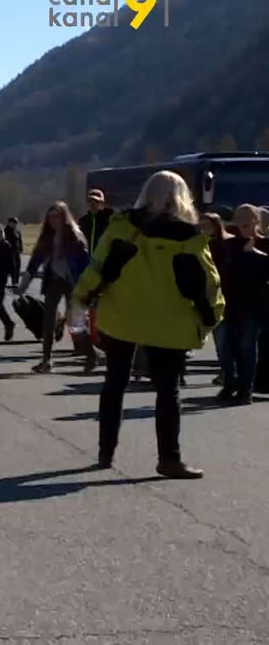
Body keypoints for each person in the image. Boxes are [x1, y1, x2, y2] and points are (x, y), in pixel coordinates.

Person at [73, 170, 223, 479]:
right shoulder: (191, 239)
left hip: (122, 316)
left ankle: (106, 451)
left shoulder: (122, 229)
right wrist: (211, 317)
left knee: (115, 383)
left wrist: (84, 297)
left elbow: (97, 267)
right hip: (170, 322)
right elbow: (209, 284)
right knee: (168, 391)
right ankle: (169, 458)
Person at [18, 201, 90, 374]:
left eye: (57, 216)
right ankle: (46, 360)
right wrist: (23, 286)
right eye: (50, 217)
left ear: (64, 216)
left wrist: (88, 286)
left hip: (73, 283)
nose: (53, 220)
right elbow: (35, 261)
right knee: (48, 321)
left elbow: (86, 263)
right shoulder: (47, 237)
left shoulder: (74, 235)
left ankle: (91, 354)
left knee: (76, 323)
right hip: (54, 281)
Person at [214, 204, 269, 405]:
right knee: (225, 348)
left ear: (257, 220)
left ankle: (245, 390)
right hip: (226, 303)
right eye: (239, 218)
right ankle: (230, 384)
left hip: (252, 305)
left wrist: (254, 253)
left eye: (248, 218)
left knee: (246, 347)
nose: (243, 222)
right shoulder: (228, 244)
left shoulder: (264, 244)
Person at [202, 212, 236, 387]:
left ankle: (229, 374)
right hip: (212, 297)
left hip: (227, 296)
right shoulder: (201, 244)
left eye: (206, 224)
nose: (203, 228)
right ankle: (227, 372)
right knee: (220, 339)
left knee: (225, 340)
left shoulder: (226, 243)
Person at [78, 188, 115, 254]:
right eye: (90, 201)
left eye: (96, 201)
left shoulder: (111, 219)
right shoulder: (83, 221)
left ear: (102, 203)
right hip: (87, 259)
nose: (92, 204)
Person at [4, 217, 24, 286]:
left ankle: (15, 282)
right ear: (9, 223)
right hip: (9, 252)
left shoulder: (17, 231)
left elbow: (20, 240)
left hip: (16, 251)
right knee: (10, 268)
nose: (15, 224)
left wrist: (21, 248)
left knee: (17, 266)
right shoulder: (5, 231)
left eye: (16, 223)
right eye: (13, 223)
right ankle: (4, 282)